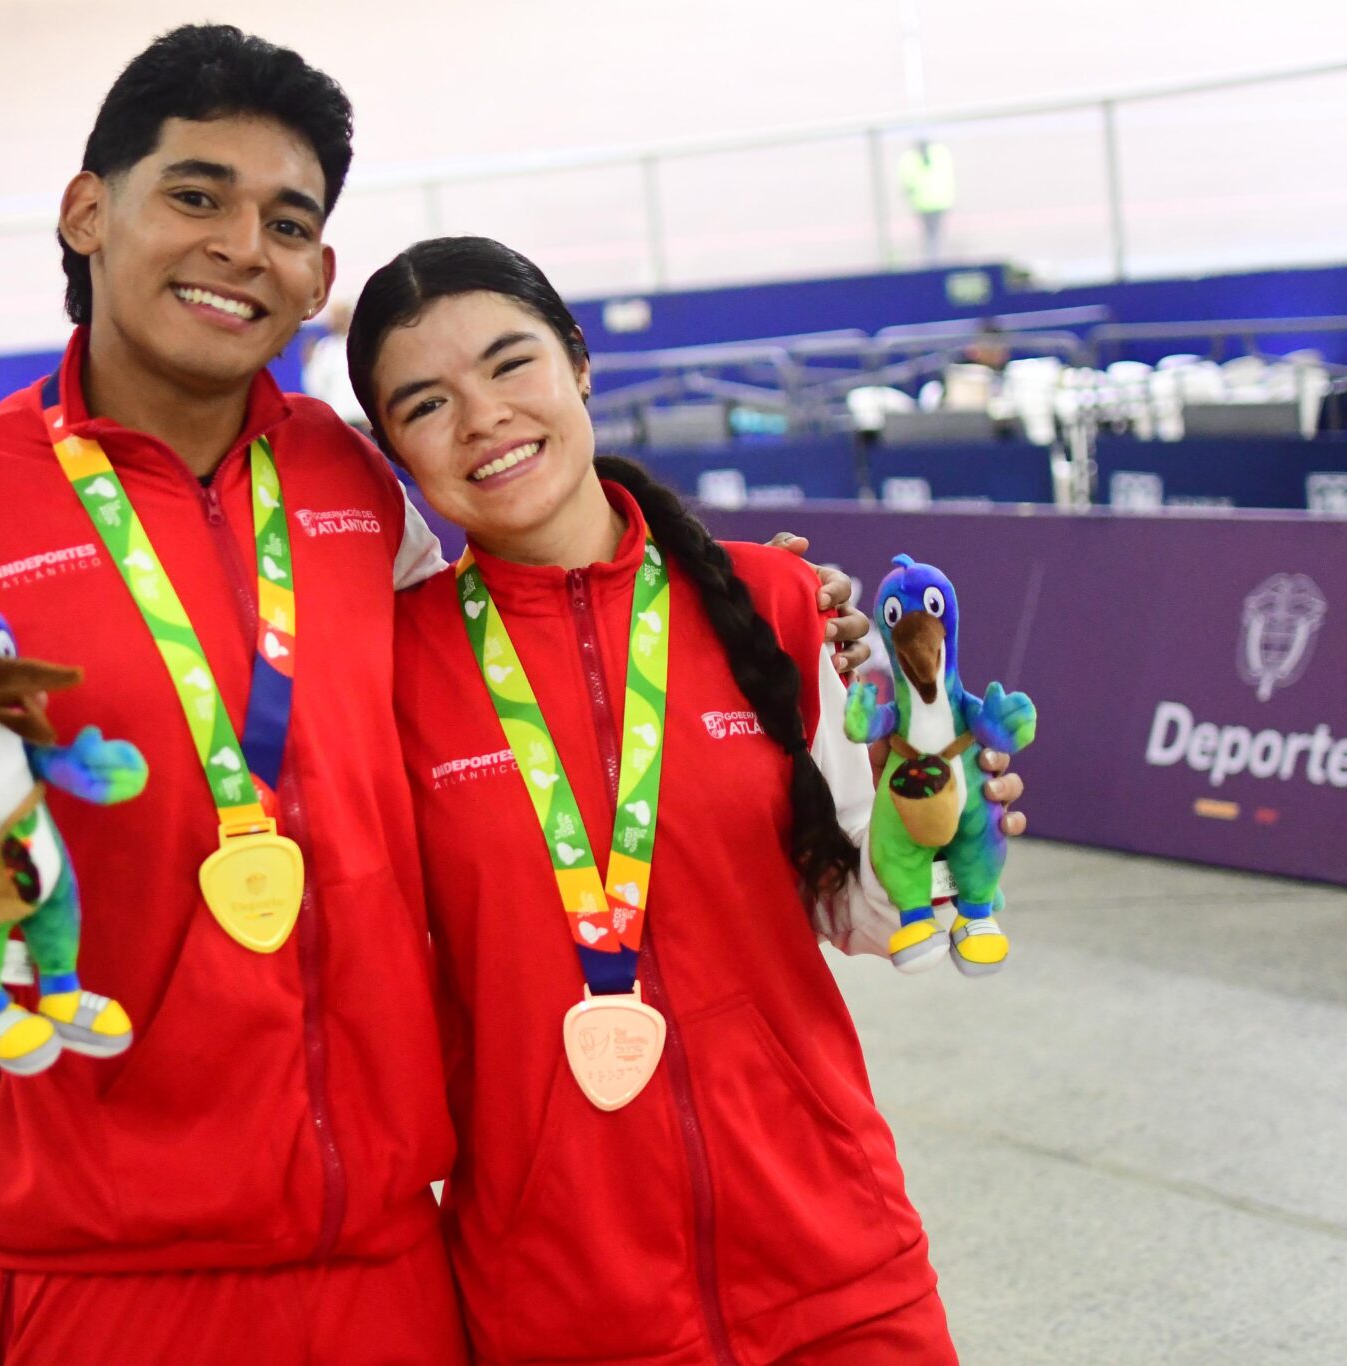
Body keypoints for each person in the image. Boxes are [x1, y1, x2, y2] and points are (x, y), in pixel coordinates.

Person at [0, 28, 876, 1363]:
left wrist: (765, 611)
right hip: (101, 1272)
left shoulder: (361, 487)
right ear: (87, 211)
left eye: (288, 222)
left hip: (388, 1265)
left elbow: (539, 654)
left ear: (318, 277)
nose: (241, 247)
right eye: (196, 195)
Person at [351, 237, 1026, 1364]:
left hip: (835, 1267)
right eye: (426, 403)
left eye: (511, 364)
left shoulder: (771, 598)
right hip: (562, 1303)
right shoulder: (389, 667)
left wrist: (937, 821)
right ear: (393, 450)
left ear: (578, 363)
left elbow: (862, 911)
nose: (482, 418)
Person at [300, 300, 367, 432]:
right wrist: (308, 364)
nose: (338, 320)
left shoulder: (363, 345)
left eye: (341, 315)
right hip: (339, 421)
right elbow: (315, 385)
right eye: (335, 316)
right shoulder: (325, 348)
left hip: (363, 420)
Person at [899, 137, 956, 266]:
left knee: (931, 233)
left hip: (929, 203)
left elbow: (907, 185)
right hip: (935, 202)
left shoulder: (911, 159)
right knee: (933, 233)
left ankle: (933, 259)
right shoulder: (940, 154)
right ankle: (933, 258)